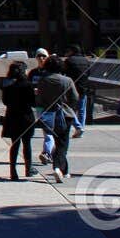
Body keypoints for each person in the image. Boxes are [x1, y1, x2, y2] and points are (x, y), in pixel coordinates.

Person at [35, 55, 78, 183]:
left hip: (49, 114)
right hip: (65, 114)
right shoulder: (67, 80)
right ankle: (58, 168)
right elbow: (75, 98)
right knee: (62, 144)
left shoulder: (43, 80)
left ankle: (64, 170)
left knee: (57, 142)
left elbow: (39, 99)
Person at [0, 60, 38, 181]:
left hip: (12, 116)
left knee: (14, 144)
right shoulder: (27, 84)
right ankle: (28, 168)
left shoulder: (6, 85)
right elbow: (33, 103)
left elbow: (5, 101)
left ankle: (13, 171)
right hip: (26, 116)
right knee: (27, 144)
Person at [63, 46, 92, 136]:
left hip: (72, 88)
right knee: (82, 110)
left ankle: (78, 126)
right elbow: (88, 73)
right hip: (83, 88)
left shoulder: (69, 61)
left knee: (68, 108)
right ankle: (81, 129)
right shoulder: (86, 61)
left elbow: (65, 73)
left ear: (72, 51)